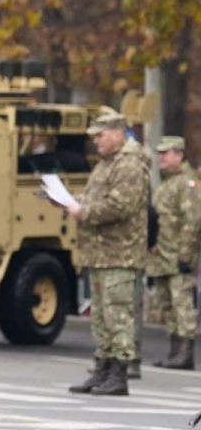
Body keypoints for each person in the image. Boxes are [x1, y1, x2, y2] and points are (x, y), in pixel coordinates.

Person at [62, 109, 149, 396]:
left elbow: (121, 206)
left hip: (119, 254)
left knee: (117, 315)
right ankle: (102, 368)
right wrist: (73, 203)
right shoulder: (106, 164)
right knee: (101, 316)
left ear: (116, 133)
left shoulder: (129, 165)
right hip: (100, 253)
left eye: (100, 136)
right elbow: (96, 198)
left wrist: (83, 212)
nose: (96, 142)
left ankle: (119, 373)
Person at [150, 136, 200, 370]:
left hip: (177, 255)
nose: (161, 157)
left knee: (182, 305)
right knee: (167, 304)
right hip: (162, 255)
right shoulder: (166, 183)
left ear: (179, 155)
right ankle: (174, 349)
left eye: (166, 153)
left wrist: (186, 255)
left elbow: (193, 221)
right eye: (160, 153)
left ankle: (186, 352)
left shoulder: (186, 183)